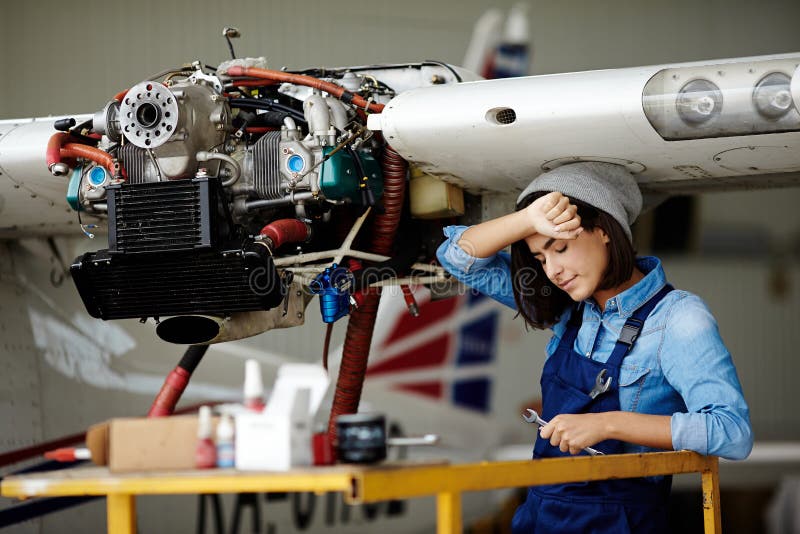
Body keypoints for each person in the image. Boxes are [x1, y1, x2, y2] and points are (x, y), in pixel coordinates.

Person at [435, 162, 752, 533]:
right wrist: (527, 219)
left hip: (619, 522)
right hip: (541, 514)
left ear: (603, 231)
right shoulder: (568, 310)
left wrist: (607, 424)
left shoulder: (678, 318)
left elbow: (732, 432)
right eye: (541, 258)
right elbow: (457, 258)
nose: (552, 270)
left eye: (560, 248)